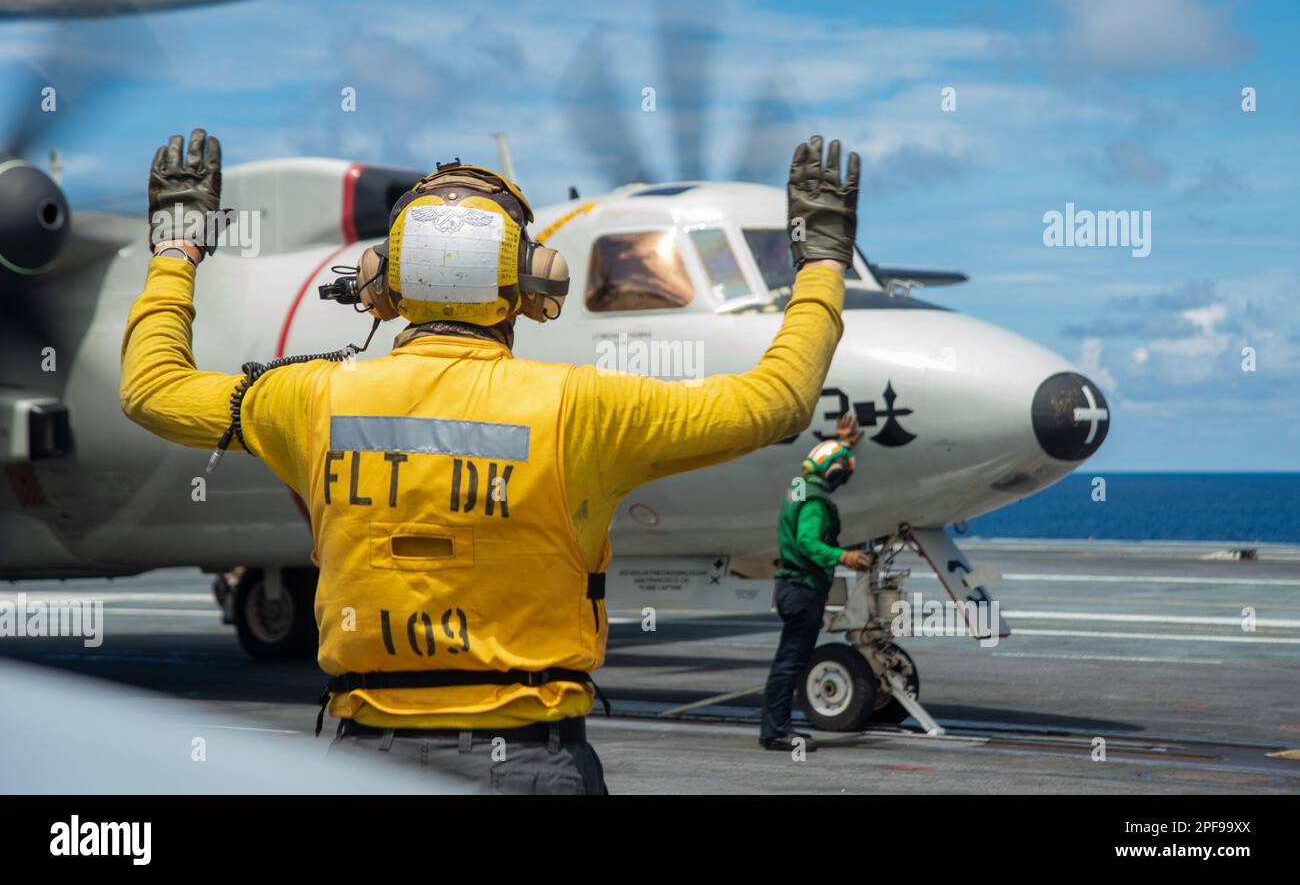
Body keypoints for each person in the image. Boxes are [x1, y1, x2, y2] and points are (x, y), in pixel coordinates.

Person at [121, 128, 861, 793]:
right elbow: (777, 401)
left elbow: (153, 389)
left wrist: (175, 252)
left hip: (365, 759)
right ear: (533, 283)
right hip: (529, 762)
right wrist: (822, 266)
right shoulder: (584, 410)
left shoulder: (312, 397)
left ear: (383, 284)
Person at [759, 413, 870, 752]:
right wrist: (843, 557)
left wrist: (842, 445)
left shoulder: (798, 487)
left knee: (787, 660)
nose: (839, 484)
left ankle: (775, 727)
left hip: (791, 587)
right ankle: (776, 731)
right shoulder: (817, 503)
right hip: (804, 589)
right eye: (841, 477)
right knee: (790, 661)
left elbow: (817, 466)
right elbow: (808, 541)